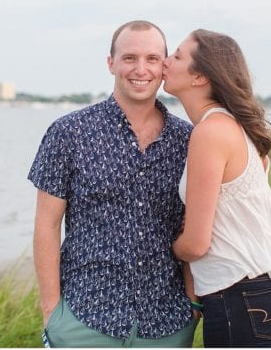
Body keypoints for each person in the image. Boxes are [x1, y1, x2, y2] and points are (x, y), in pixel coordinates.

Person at [28, 20, 197, 348]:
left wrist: (193, 304)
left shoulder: (188, 140)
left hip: (168, 323)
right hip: (83, 318)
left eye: (152, 58)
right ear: (111, 63)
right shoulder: (69, 133)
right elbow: (46, 224)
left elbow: (192, 226)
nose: (141, 69)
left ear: (164, 66)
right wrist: (51, 309)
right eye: (129, 57)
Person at [162, 30, 271, 348]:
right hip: (255, 292)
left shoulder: (211, 132)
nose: (165, 61)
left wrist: (167, 248)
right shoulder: (231, 126)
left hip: (238, 294)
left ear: (199, 76)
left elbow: (196, 244)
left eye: (177, 56)